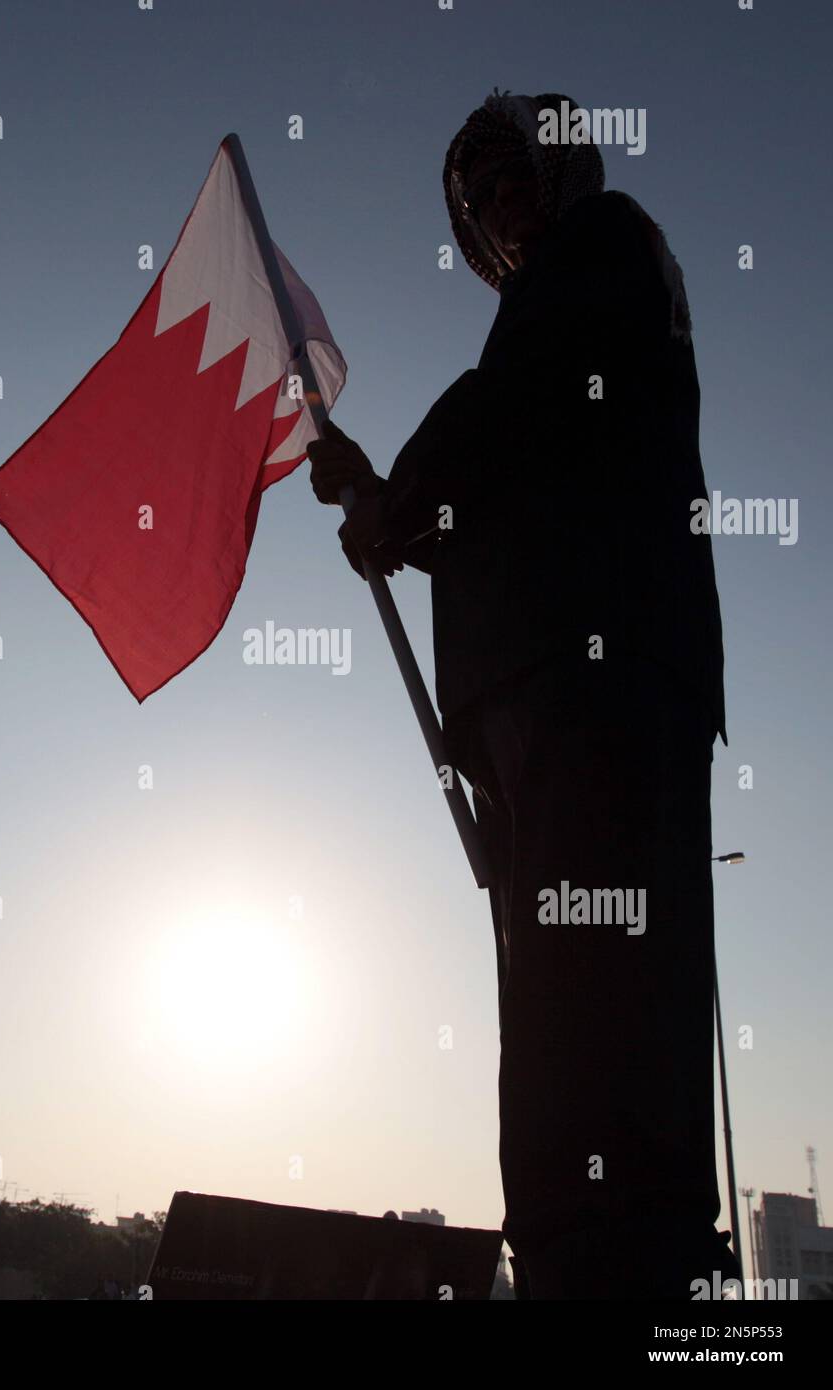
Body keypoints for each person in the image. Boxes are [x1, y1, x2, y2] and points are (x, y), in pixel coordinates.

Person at [308, 89, 740, 1299]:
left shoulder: (606, 251)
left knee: (596, 994)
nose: (502, 204)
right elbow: (497, 482)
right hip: (547, 699)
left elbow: (516, 412)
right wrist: (382, 503)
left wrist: (396, 501)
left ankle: (620, 1260)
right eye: (484, 190)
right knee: (559, 990)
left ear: (565, 175)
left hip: (598, 689)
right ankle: (574, 1240)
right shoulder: (546, 346)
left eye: (516, 177)